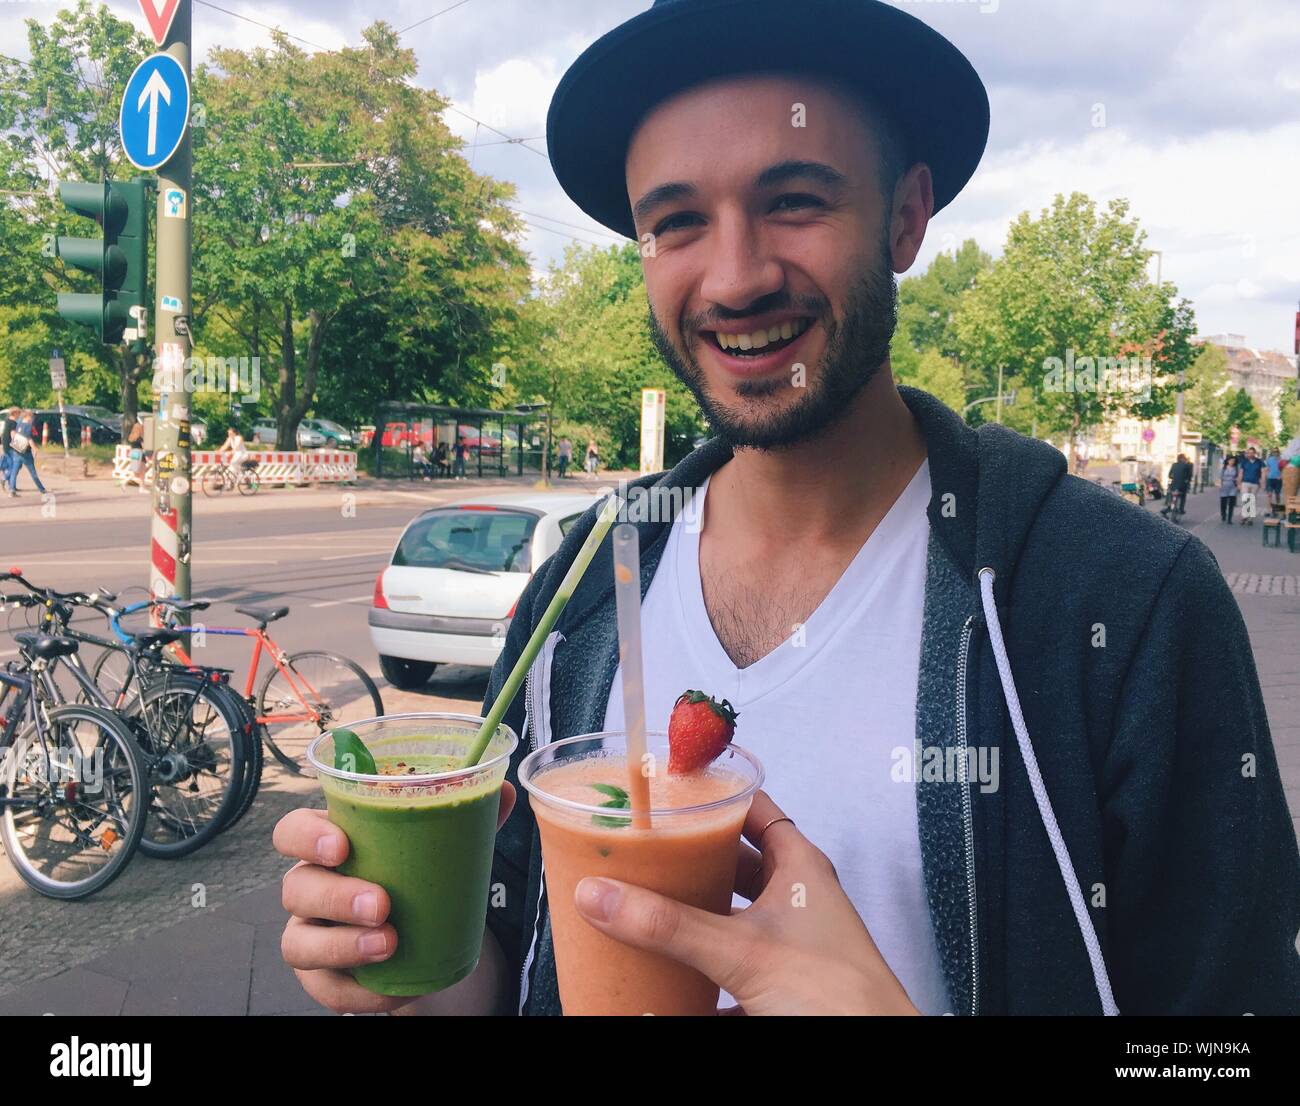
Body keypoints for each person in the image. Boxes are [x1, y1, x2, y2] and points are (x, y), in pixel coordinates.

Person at [276, 0, 1300, 1017]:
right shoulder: (582, 588)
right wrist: (411, 968)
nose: (734, 276)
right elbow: (508, 959)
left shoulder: (1123, 601)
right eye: (676, 221)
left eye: (795, 200)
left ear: (904, 217)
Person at [6, 409, 46, 498]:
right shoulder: (28, 425)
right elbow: (29, 438)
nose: (32, 419)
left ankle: (11, 490)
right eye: (31, 417)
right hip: (25, 452)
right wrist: (34, 448)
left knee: (14, 471)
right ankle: (42, 489)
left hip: (17, 450)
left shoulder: (19, 423)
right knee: (33, 472)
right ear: (28, 416)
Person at [1238, 446, 1264, 525]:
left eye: (1252, 453)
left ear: (1255, 453)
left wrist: (1263, 483)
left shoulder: (1259, 462)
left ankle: (1250, 519)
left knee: (1252, 500)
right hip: (1245, 482)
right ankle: (1244, 516)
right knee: (1245, 499)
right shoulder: (1244, 461)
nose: (1250, 454)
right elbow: (1241, 472)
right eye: (1249, 453)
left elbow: (1263, 472)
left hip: (1255, 483)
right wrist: (1239, 483)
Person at [1161, 452, 1192, 517]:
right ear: (1182, 459)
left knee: (1172, 497)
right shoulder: (1186, 465)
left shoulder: (1174, 465)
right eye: (1184, 458)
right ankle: (1181, 509)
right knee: (1183, 496)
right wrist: (1187, 480)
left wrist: (1174, 477)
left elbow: (1169, 475)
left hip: (1173, 486)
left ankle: (1168, 508)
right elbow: (1189, 476)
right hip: (1182, 486)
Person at [122, 421, 148, 493]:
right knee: (141, 472)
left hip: (134, 453)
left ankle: (142, 487)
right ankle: (141, 487)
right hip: (140, 453)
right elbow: (144, 446)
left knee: (138, 471)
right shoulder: (140, 438)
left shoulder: (132, 437)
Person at [1219, 454, 1240, 523]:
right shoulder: (1224, 468)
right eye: (1230, 461)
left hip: (1233, 486)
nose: (1232, 462)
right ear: (1227, 461)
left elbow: (1238, 477)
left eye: (1233, 461)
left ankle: (1229, 518)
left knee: (1231, 503)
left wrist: (1238, 485)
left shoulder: (1236, 468)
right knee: (1223, 502)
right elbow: (1220, 478)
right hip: (1224, 485)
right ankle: (1223, 514)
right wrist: (1220, 485)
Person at [0, 406, 17, 491]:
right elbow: (13, 434)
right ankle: (5, 478)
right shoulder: (13, 422)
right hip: (10, 445)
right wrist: (17, 444)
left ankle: (12, 486)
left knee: (11, 464)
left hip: (5, 444)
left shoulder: (7, 421)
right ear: (15, 413)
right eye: (18, 413)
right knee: (13, 466)